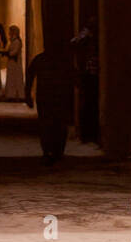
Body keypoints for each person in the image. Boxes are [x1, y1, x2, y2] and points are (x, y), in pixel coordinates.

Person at [25, 51, 72, 163]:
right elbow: (72, 75)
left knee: (47, 124)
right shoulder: (62, 60)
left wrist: (27, 94)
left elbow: (30, 75)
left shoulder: (40, 59)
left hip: (46, 97)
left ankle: (50, 151)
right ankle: (56, 151)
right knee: (57, 124)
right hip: (55, 97)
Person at [71, 16, 100, 144]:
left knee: (89, 104)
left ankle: (89, 134)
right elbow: (74, 42)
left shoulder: (92, 37)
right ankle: (87, 134)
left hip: (91, 73)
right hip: (88, 73)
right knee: (88, 103)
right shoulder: (87, 35)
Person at [2, 25, 26, 100]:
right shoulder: (13, 41)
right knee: (11, 79)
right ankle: (11, 95)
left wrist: (6, 53)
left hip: (15, 64)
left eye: (10, 31)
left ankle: (16, 95)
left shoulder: (17, 42)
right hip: (12, 63)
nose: (9, 33)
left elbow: (14, 53)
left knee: (15, 79)